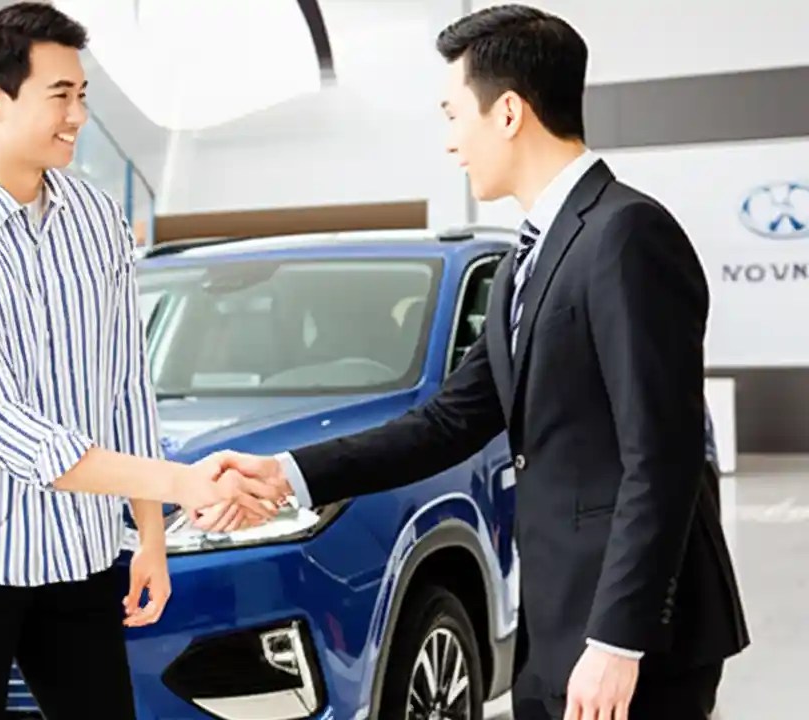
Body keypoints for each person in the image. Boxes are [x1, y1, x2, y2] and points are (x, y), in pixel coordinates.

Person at [210, 5, 749, 720]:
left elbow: (662, 458)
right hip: (559, 623)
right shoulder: (530, 257)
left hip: (631, 637)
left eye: (452, 114)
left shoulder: (625, 235)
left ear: (509, 113)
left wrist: (619, 641)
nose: (450, 141)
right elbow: (446, 423)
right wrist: (287, 474)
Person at [0, 3, 276, 718]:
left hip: (79, 552)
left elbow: (126, 385)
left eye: (83, 95)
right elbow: (8, 429)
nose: (78, 116)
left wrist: (150, 535)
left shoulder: (97, 220)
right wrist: (184, 483)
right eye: (60, 96)